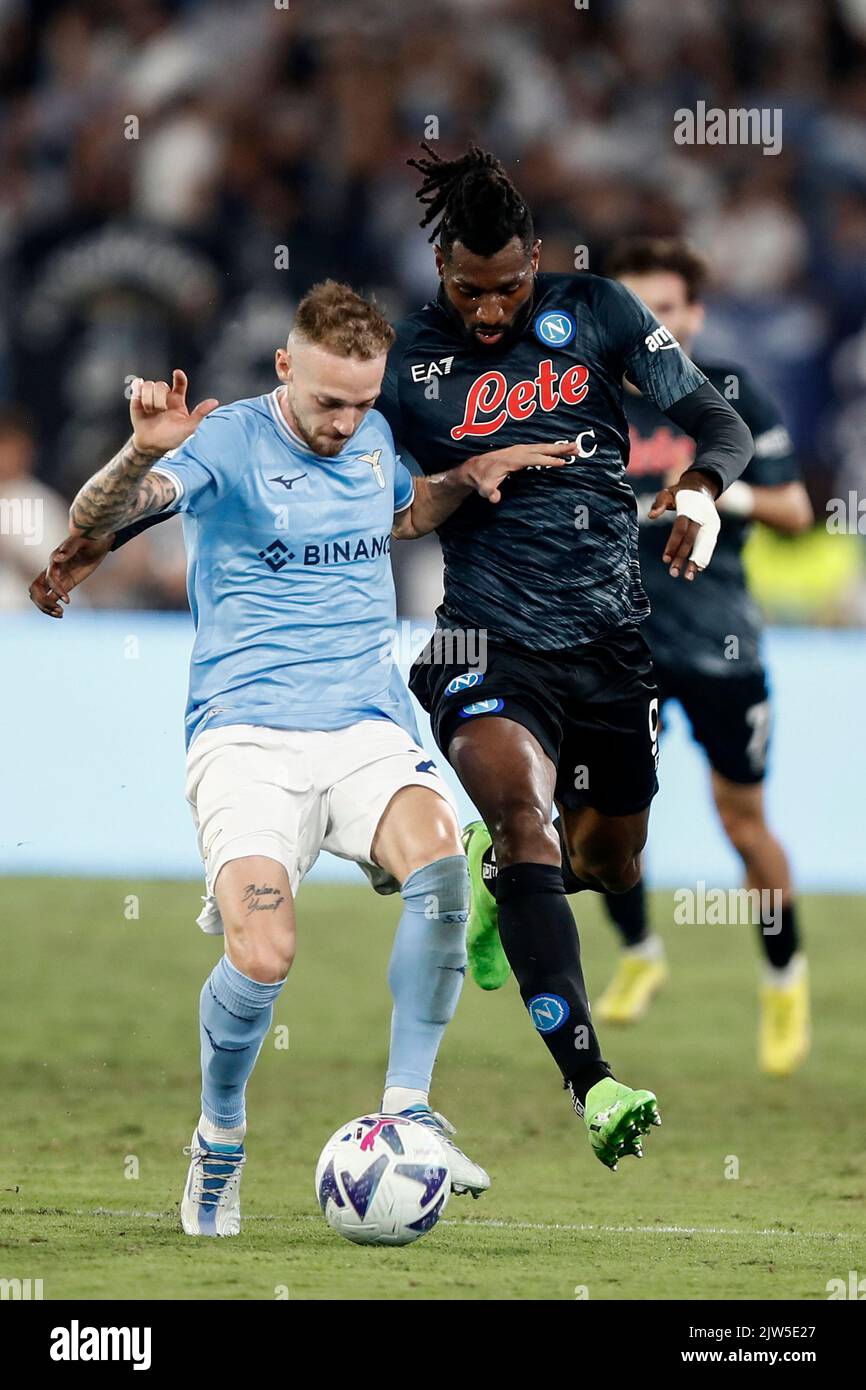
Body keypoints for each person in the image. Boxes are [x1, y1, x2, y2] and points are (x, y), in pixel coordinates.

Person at [31, 280, 573, 1232]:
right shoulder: (228, 441)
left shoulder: (370, 433)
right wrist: (138, 452)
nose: (344, 422)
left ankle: (408, 1109)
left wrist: (468, 474)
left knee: (444, 862)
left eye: (362, 402)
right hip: (246, 737)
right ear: (286, 367)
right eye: (327, 401)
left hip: (365, 725)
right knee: (267, 953)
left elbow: (400, 515)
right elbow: (102, 512)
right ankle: (220, 1138)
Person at [382, 144, 753, 1169]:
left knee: (608, 860)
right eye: (469, 290)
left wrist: (697, 492)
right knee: (522, 818)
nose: (490, 311)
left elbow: (716, 424)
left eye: (507, 288)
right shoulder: (406, 362)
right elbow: (387, 513)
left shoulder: (596, 311)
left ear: (534, 260)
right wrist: (463, 475)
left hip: (606, 643)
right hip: (481, 637)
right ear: (440, 269)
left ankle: (504, 880)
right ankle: (592, 1083)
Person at [584, 238, 811, 1077]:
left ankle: (783, 974)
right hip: (622, 649)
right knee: (605, 818)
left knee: (744, 824)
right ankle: (641, 951)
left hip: (722, 650)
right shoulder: (589, 395)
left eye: (669, 309)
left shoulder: (733, 394)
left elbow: (795, 508)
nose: (657, 327)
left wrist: (711, 487)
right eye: (640, 310)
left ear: (696, 314)